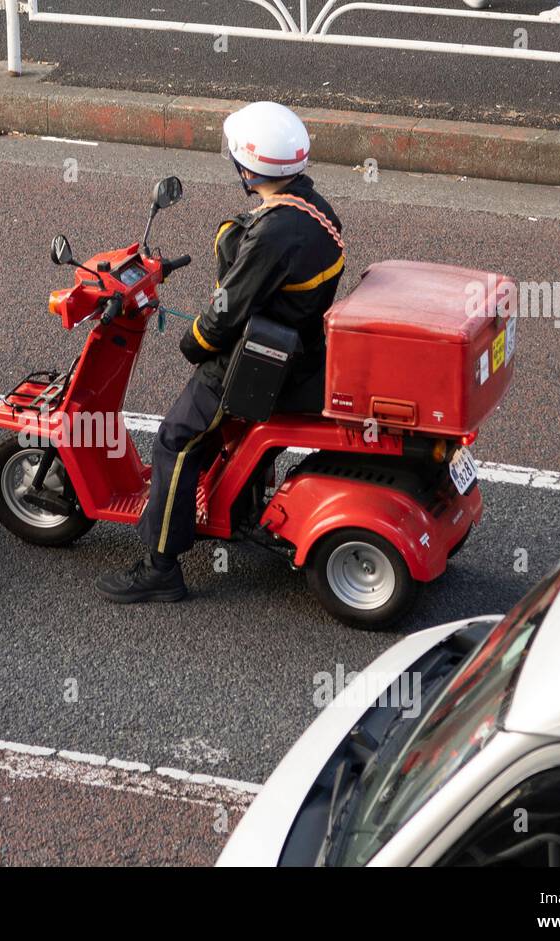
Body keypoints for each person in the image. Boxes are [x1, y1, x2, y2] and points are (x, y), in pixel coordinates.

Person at [94, 101, 345, 604]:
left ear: (248, 167)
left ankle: (161, 566)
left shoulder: (272, 232)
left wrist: (193, 344)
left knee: (176, 440)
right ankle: (240, 508)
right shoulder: (313, 208)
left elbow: (223, 316)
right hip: (303, 351)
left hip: (258, 364)